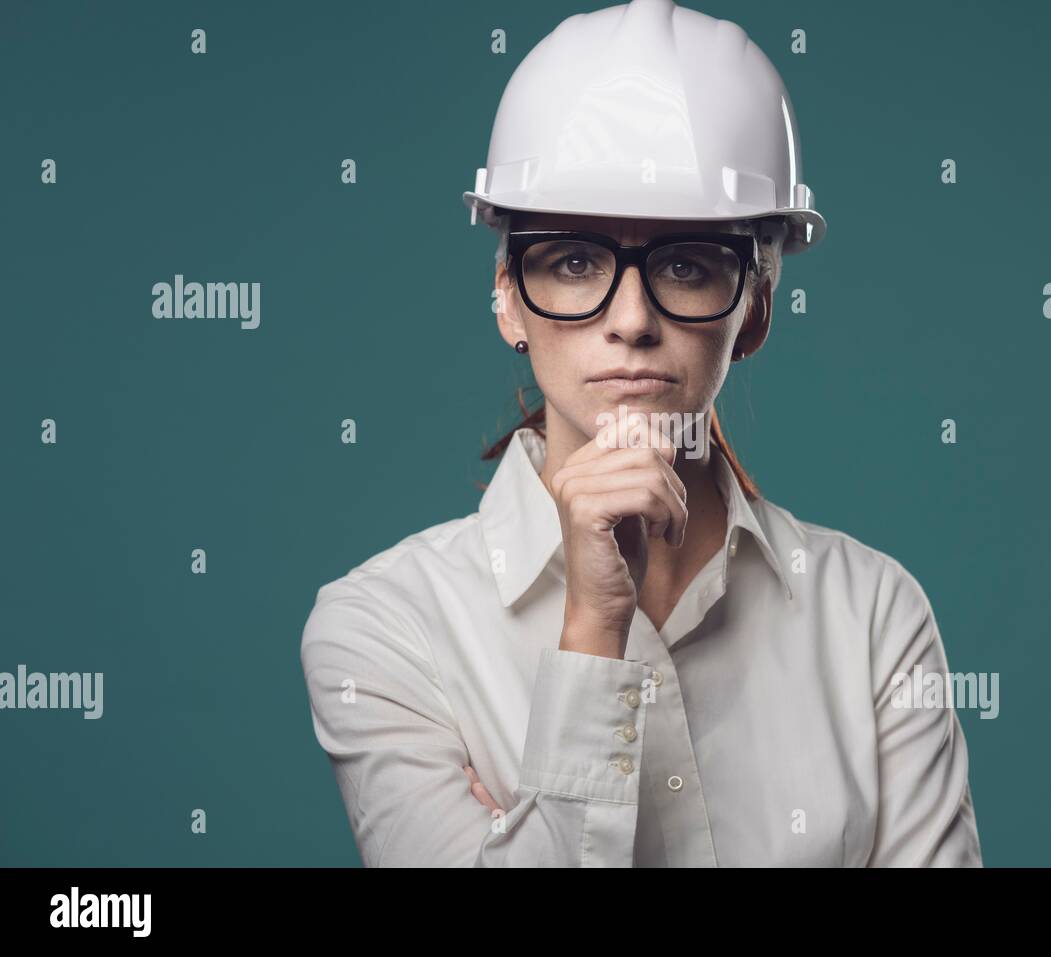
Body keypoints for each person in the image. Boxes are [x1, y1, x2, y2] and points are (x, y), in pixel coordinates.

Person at [300, 0, 982, 867]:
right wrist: (592, 628)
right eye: (575, 261)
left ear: (756, 308)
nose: (630, 318)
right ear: (508, 295)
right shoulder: (383, 628)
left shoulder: (873, 616)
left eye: (688, 265)